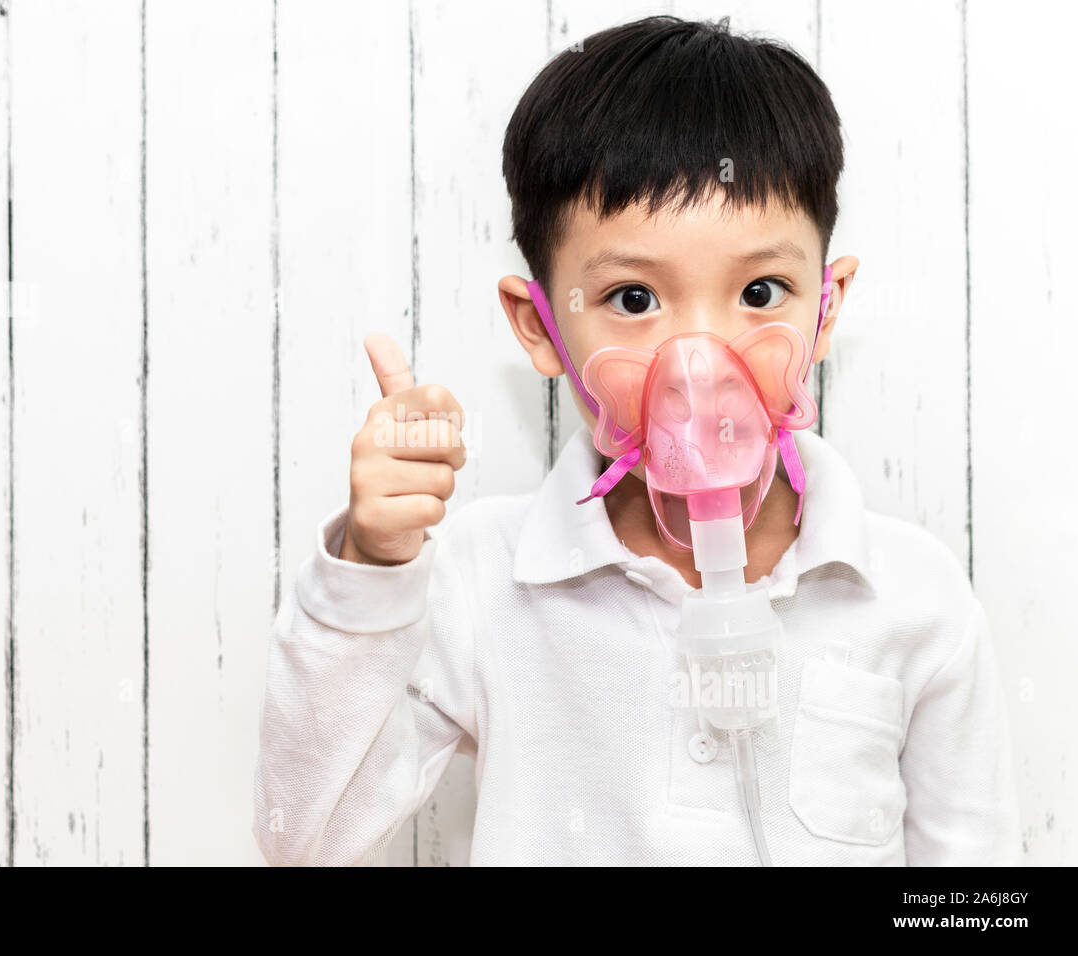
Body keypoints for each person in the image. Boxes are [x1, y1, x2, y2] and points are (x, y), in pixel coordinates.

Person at [252, 15, 1022, 866]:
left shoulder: (914, 600)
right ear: (539, 326)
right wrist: (372, 566)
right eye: (632, 300)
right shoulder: (483, 584)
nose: (702, 365)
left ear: (826, 308)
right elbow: (308, 841)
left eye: (762, 290)